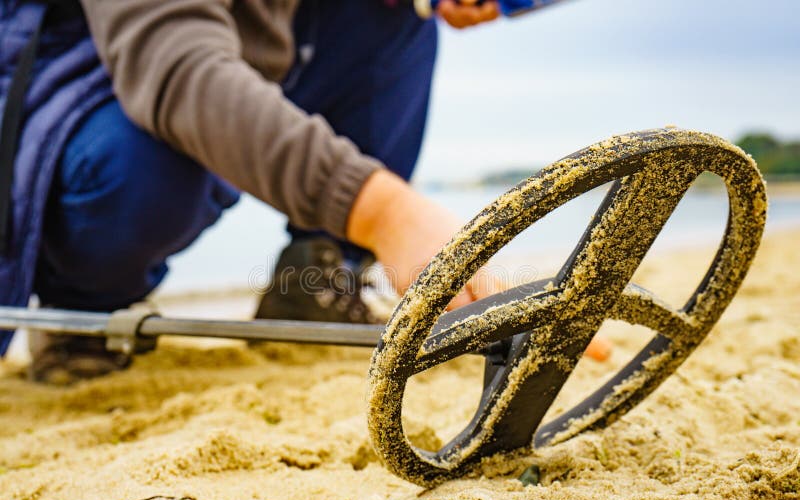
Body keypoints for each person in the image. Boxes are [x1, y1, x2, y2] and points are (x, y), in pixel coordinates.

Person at [0, 0, 606, 384]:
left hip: (264, 46)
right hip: (82, 86)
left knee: (398, 14)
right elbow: (179, 66)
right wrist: (386, 213)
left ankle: (318, 277)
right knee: (145, 170)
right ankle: (79, 300)